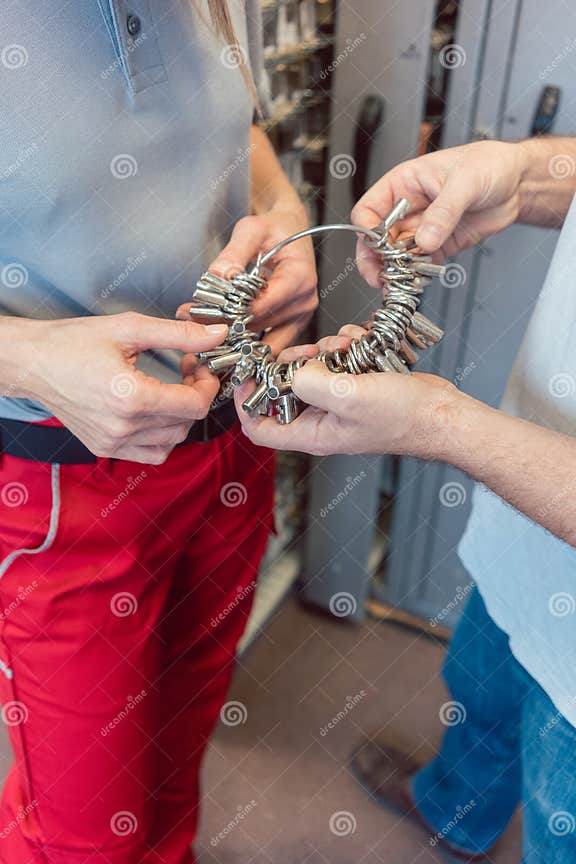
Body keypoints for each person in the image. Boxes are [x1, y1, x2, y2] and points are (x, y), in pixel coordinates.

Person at [0, 3, 316, 862]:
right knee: (83, 836)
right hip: (62, 479)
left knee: (175, 755)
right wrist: (26, 358)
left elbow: (238, 130)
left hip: (230, 434)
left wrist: (286, 216)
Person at [237, 137, 576, 862]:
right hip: (525, 522)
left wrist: (444, 426)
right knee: (480, 687)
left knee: (561, 809)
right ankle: (455, 810)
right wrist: (525, 176)